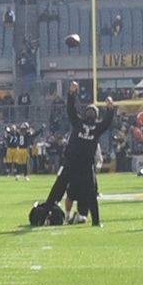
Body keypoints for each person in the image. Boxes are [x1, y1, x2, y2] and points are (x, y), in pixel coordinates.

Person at [45, 83, 112, 224]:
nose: (90, 112)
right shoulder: (79, 123)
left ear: (96, 116)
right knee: (57, 189)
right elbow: (70, 110)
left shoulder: (97, 127)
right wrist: (71, 93)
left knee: (91, 193)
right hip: (71, 161)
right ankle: (44, 213)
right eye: (89, 110)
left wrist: (110, 109)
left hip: (85, 164)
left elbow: (107, 122)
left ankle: (96, 221)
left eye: (93, 111)